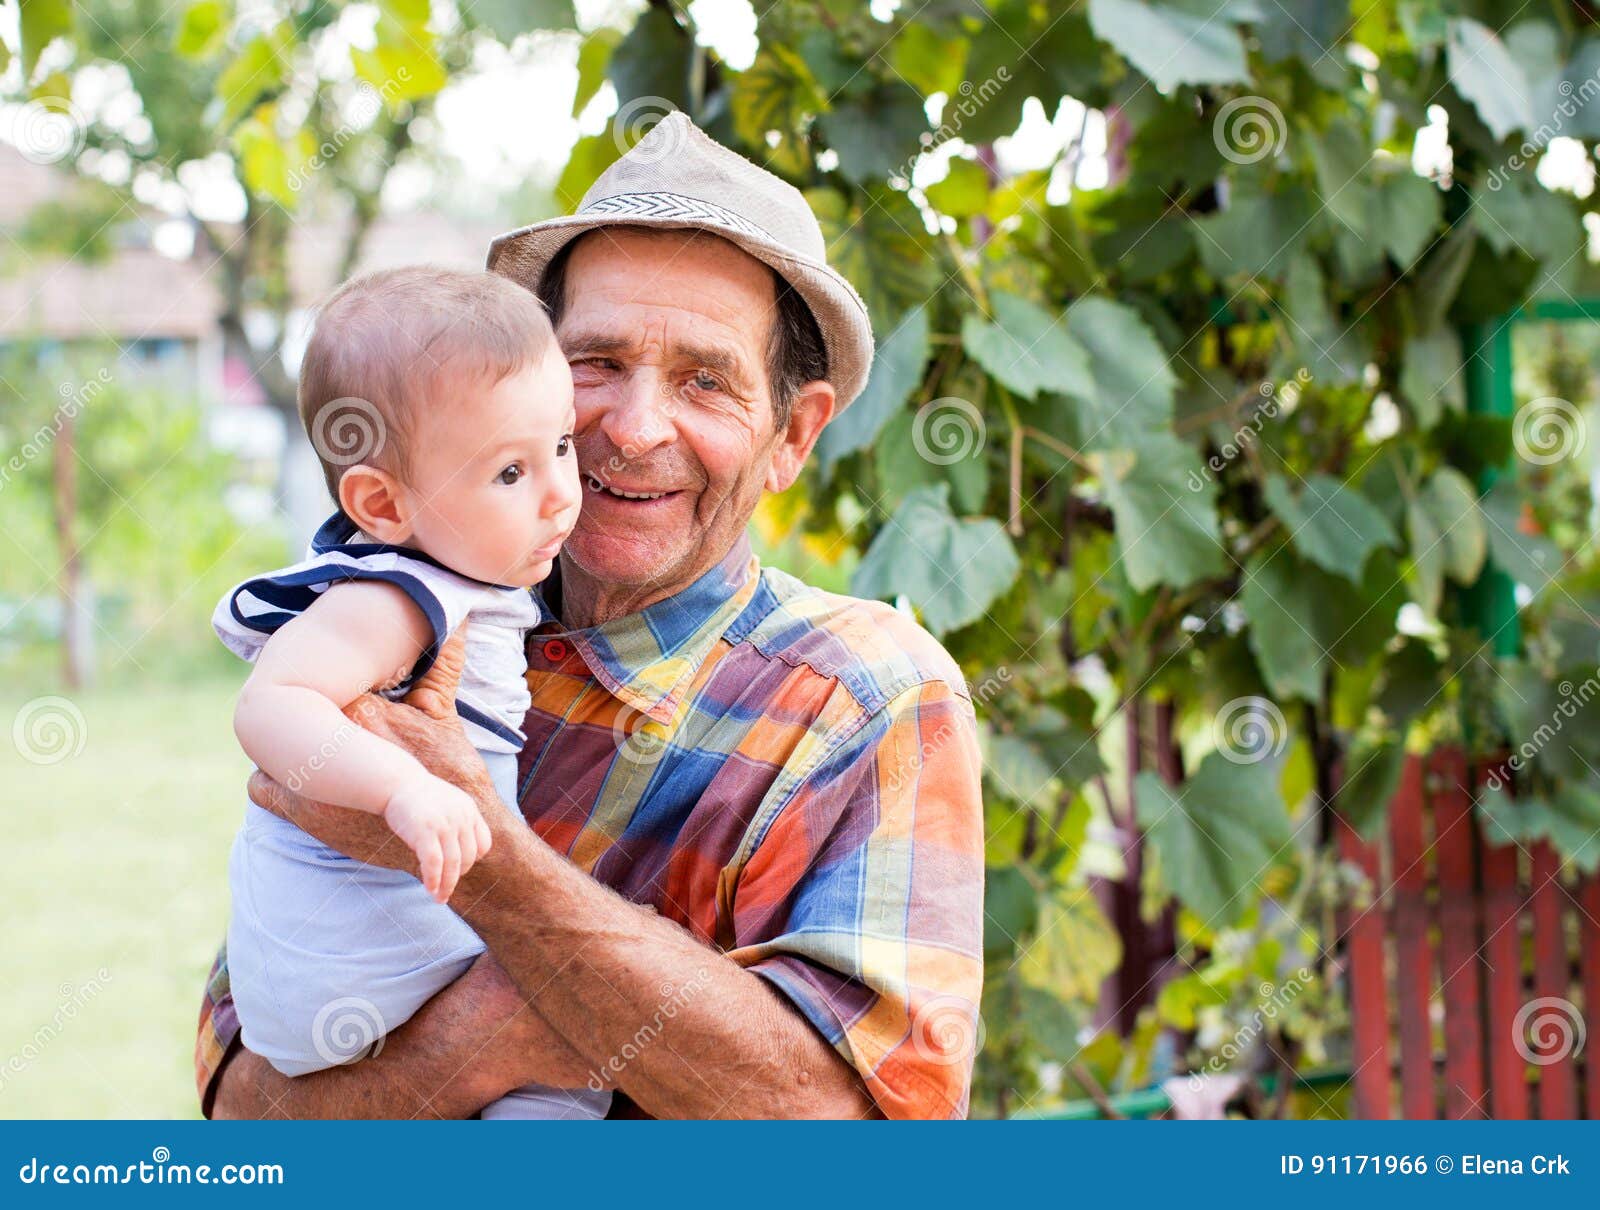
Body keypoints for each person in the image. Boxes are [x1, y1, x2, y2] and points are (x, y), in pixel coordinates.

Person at [198, 113, 985, 1120]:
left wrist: (490, 868)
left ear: (792, 434)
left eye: (706, 379)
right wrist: (513, 1032)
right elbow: (244, 1108)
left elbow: (867, 1134)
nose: (633, 425)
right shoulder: (399, 628)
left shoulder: (864, 698)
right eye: (595, 362)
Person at [212, 265, 605, 1119]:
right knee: (580, 1043)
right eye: (510, 473)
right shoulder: (390, 596)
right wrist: (405, 792)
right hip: (360, 966)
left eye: (563, 447)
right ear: (383, 505)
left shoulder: (458, 575)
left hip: (355, 980)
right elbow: (270, 706)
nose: (559, 494)